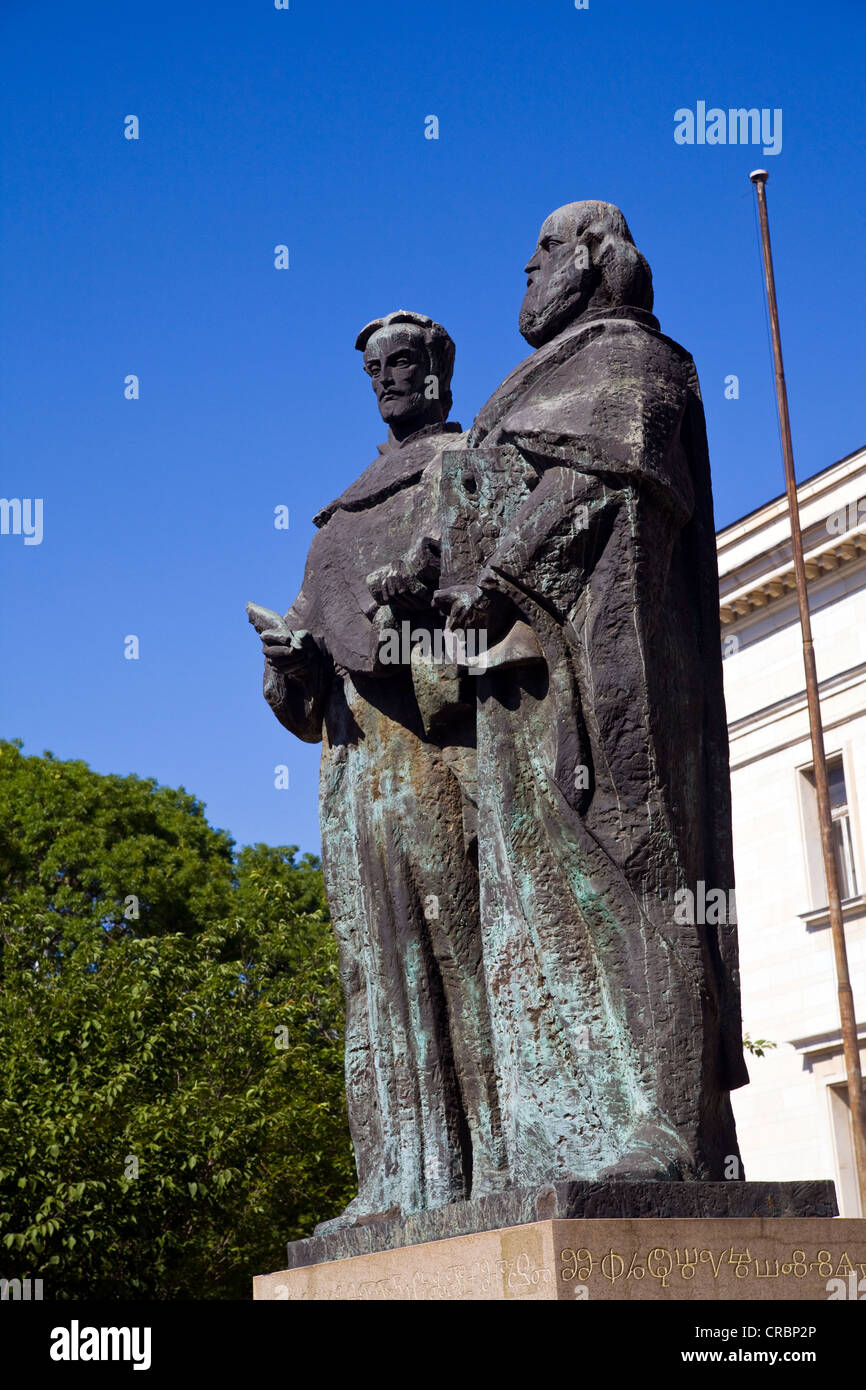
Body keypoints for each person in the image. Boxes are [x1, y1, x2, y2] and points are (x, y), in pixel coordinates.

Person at [435, 202, 749, 1184]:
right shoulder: (522, 387)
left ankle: (660, 1126)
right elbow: (479, 517)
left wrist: (490, 582)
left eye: (540, 254)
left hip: (609, 665)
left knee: (629, 858)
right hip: (518, 682)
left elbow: (598, 487)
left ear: (592, 259)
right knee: (532, 904)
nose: (524, 274)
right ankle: (562, 1136)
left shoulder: (633, 359)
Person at [250, 311, 505, 1229]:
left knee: (456, 956)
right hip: (354, 766)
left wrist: (419, 620)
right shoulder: (341, 516)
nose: (388, 380)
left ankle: (490, 1170)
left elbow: (500, 616)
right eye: (374, 370)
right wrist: (293, 663)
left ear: (438, 369)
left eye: (403, 363)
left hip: (436, 755)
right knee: (374, 975)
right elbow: (301, 695)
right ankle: (396, 1181)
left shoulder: (469, 467)